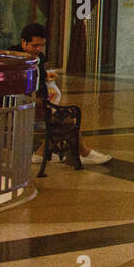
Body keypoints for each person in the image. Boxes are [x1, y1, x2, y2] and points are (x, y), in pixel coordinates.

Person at [21, 23, 111, 165]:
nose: (38, 49)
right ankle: (82, 152)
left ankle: (45, 152)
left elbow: (40, 77)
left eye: (41, 45)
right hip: (23, 105)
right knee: (65, 119)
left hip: (41, 102)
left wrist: (47, 77)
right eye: (35, 45)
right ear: (23, 42)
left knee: (64, 118)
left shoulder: (39, 57)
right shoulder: (16, 57)